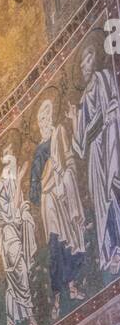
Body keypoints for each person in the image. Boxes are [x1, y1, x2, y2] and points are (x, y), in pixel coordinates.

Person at [28, 100, 86, 316]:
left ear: (50, 118)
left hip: (63, 195)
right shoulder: (38, 151)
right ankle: (58, 297)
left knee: (69, 241)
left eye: (46, 117)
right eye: (40, 119)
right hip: (48, 201)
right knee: (55, 244)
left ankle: (72, 287)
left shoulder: (58, 134)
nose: (43, 122)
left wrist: (65, 181)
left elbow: (69, 161)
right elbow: (34, 184)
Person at [68, 40, 120, 274]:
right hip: (93, 155)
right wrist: (73, 120)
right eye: (81, 64)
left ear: (95, 58)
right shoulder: (82, 99)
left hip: (108, 142)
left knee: (112, 191)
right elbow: (79, 144)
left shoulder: (104, 78)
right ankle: (108, 250)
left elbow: (113, 104)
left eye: (88, 60)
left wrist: (109, 117)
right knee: (100, 201)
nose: (84, 67)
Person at [0, 142, 39, 325]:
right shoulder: (0, 186)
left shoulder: (11, 181)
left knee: (17, 281)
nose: (10, 158)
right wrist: (18, 181)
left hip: (16, 232)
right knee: (19, 278)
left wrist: (23, 210)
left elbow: (17, 205)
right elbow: (4, 213)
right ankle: (30, 320)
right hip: (9, 238)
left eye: (12, 153)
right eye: (6, 154)